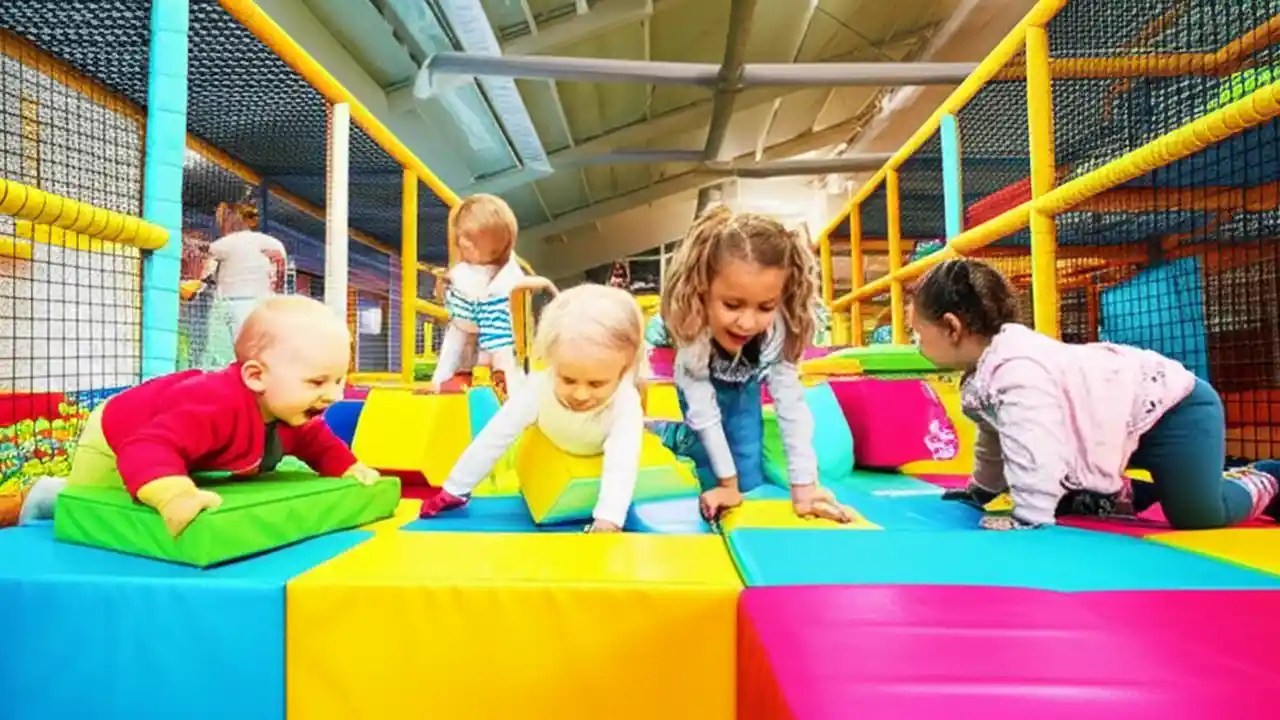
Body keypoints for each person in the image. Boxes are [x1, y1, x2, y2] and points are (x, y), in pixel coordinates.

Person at [911, 257, 1280, 530]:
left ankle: (1266, 476)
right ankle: (1130, 492)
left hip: (1176, 412)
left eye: (918, 334)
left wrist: (1029, 517)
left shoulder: (1016, 370)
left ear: (951, 328)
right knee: (1071, 497)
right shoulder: (983, 371)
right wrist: (982, 490)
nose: (915, 344)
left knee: (1199, 516)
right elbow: (995, 437)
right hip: (1121, 422)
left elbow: (1034, 443)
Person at [19, 296, 379, 536]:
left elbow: (319, 445)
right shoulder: (214, 405)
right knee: (105, 511)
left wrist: (348, 467)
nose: (334, 394)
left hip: (167, 441)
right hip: (118, 439)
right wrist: (173, 492)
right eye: (318, 381)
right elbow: (146, 447)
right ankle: (48, 496)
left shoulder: (293, 414)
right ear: (256, 376)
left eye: (340, 380)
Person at [651, 204, 852, 524]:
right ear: (704, 290)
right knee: (699, 451)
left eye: (765, 306)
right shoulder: (693, 325)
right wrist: (724, 485)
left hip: (742, 374)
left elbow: (792, 409)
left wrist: (804, 490)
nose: (747, 321)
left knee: (747, 463)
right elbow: (703, 410)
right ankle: (669, 433)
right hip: (690, 360)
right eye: (733, 305)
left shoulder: (777, 331)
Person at [419, 284, 646, 532]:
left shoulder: (625, 402)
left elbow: (622, 460)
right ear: (550, 361)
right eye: (568, 379)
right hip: (548, 443)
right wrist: (455, 488)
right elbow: (497, 434)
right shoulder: (539, 387)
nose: (581, 394)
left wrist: (609, 518)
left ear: (623, 370)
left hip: (598, 453)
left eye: (597, 383)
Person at [431, 194, 556, 395]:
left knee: (505, 357)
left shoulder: (507, 275)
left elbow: (502, 335)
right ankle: (443, 380)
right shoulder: (466, 270)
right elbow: (459, 329)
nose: (464, 243)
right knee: (457, 338)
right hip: (471, 326)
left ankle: (514, 396)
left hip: (499, 333)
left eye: (472, 240)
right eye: (462, 237)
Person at [200, 202, 288, 367]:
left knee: (221, 358)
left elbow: (205, 274)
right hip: (264, 304)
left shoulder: (222, 245)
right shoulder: (274, 244)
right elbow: (280, 277)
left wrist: (197, 286)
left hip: (229, 303)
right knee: (259, 353)